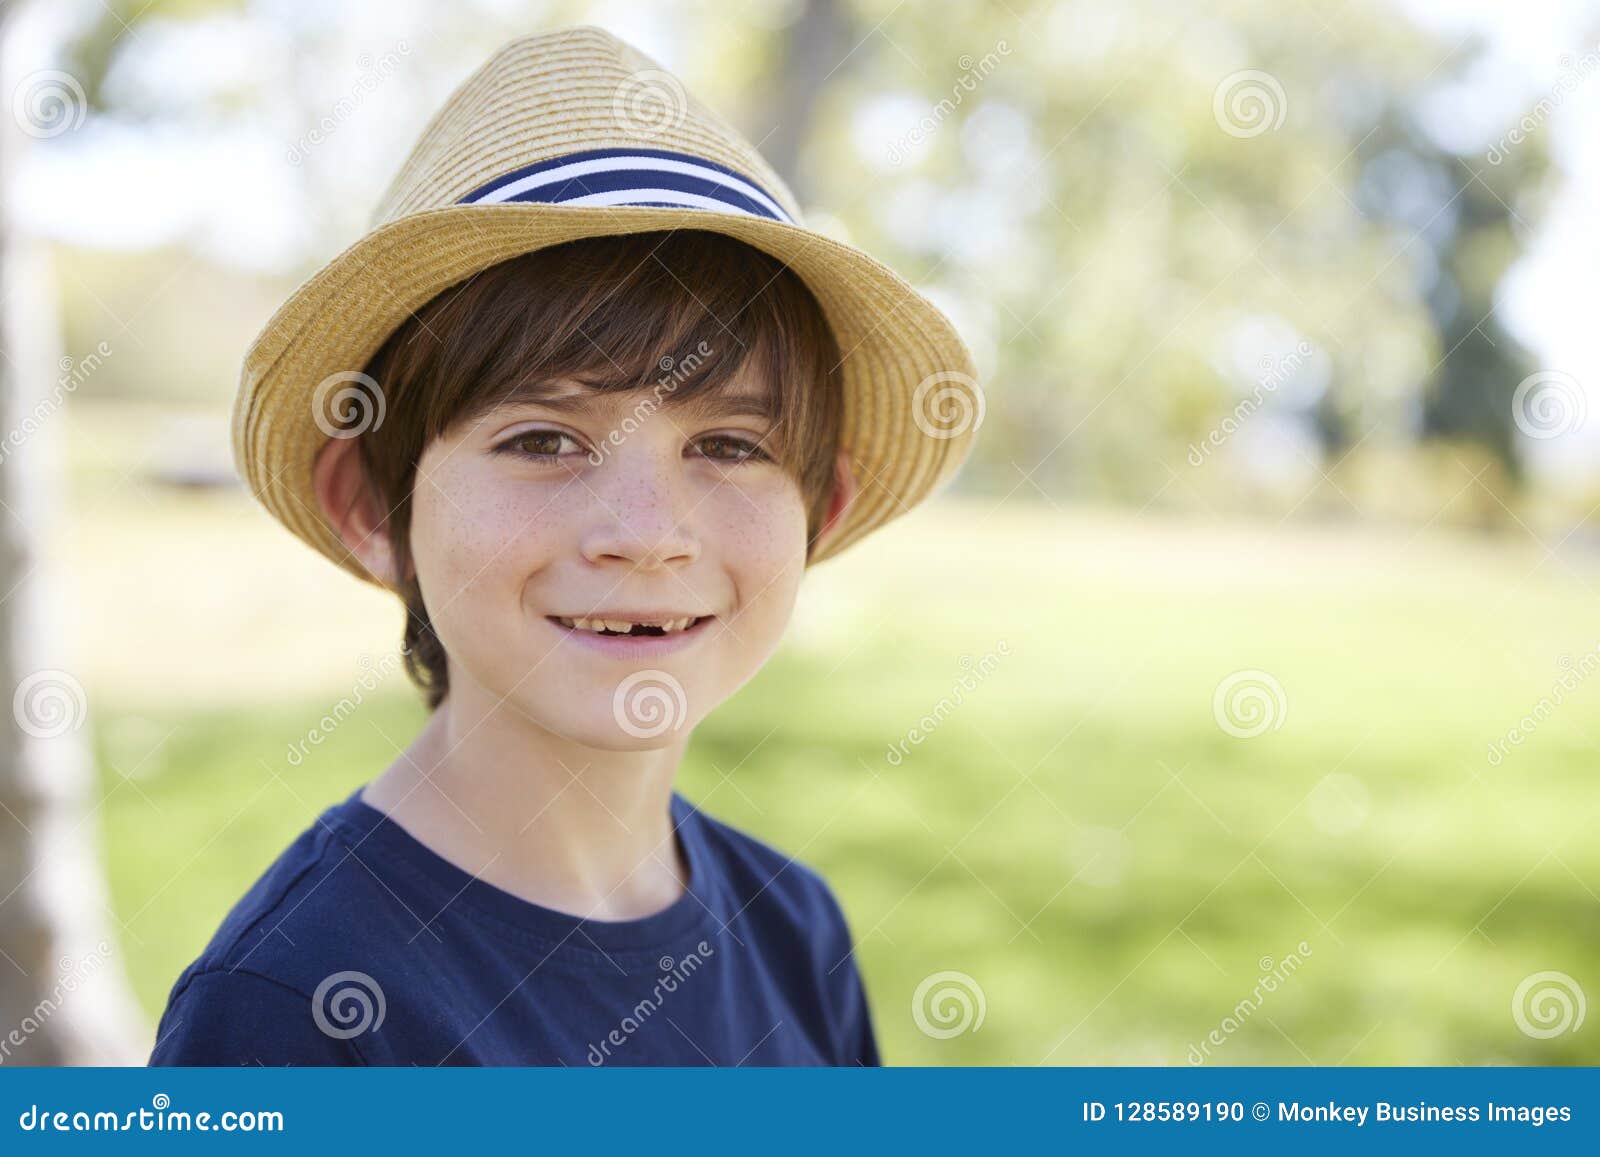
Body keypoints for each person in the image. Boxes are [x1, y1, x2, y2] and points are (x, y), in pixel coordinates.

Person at [149, 24, 980, 1066]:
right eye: (542, 439)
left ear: (821, 510)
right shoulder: (298, 1000)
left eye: (727, 443)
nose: (643, 534)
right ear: (371, 506)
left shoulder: (794, 929)